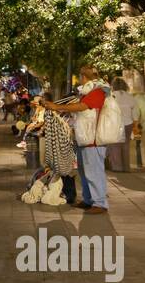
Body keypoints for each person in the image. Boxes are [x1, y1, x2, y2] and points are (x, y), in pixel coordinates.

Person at [42, 66, 110, 213]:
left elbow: (82, 107)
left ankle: (100, 204)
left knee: (94, 172)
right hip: (85, 138)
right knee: (85, 172)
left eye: (80, 76)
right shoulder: (89, 92)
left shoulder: (98, 92)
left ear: (84, 77)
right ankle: (88, 200)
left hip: (94, 140)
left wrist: (57, 106)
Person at [108, 78, 136, 172]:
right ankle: (126, 167)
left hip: (115, 123)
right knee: (126, 145)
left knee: (115, 145)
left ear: (113, 86)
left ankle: (117, 167)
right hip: (128, 123)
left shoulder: (111, 96)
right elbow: (135, 112)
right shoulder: (130, 96)